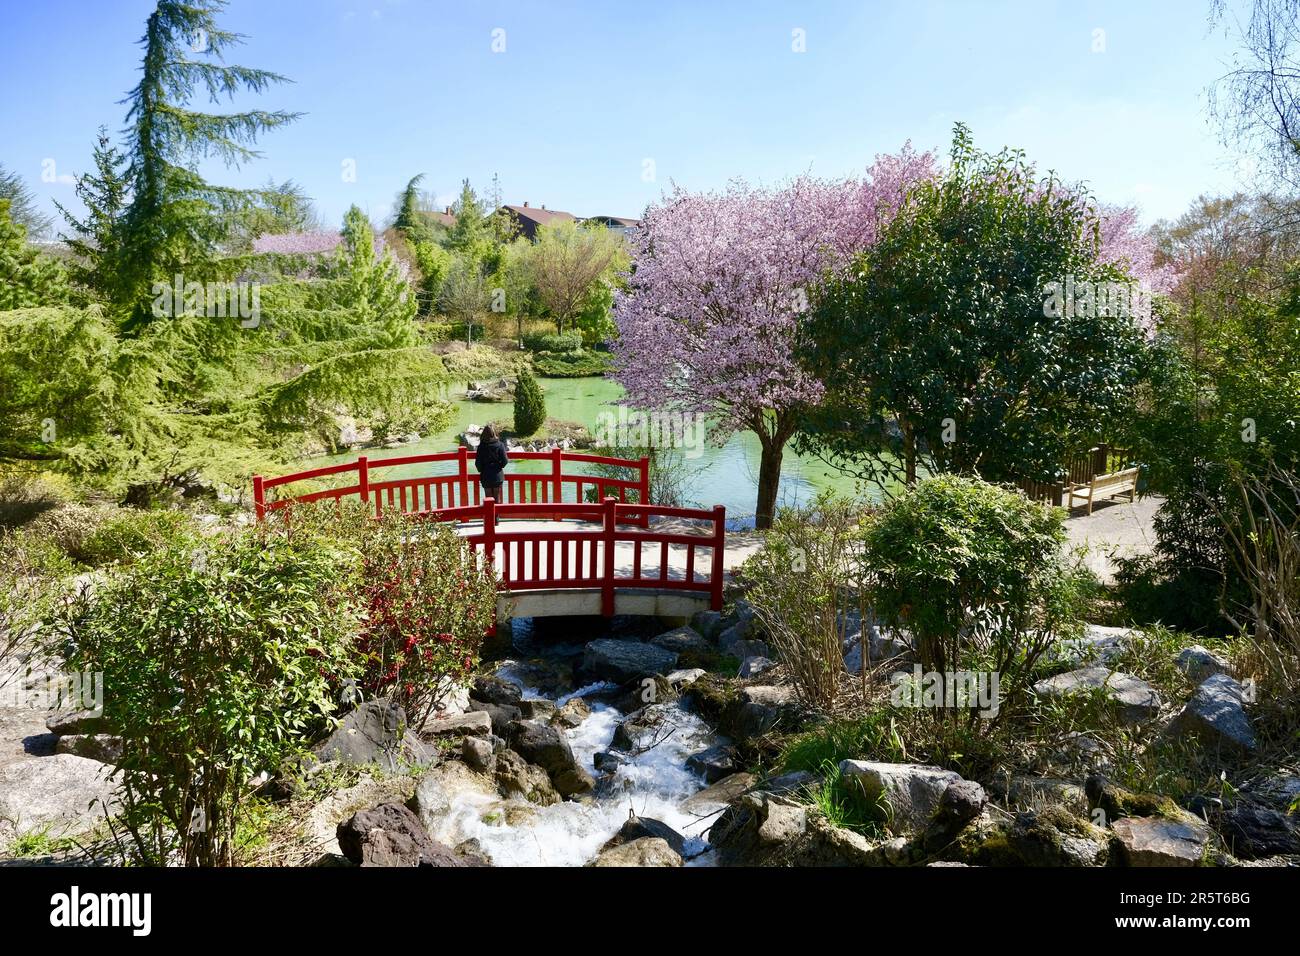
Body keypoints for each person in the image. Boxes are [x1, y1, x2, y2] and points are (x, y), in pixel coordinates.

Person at [474, 425, 509, 511]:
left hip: (486, 475)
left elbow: (478, 463)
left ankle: (489, 520)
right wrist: (499, 467)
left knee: (488, 497)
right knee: (496, 498)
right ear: (493, 433)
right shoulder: (500, 445)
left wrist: (482, 470)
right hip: (497, 474)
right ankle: (496, 519)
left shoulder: (481, 447)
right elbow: (505, 460)